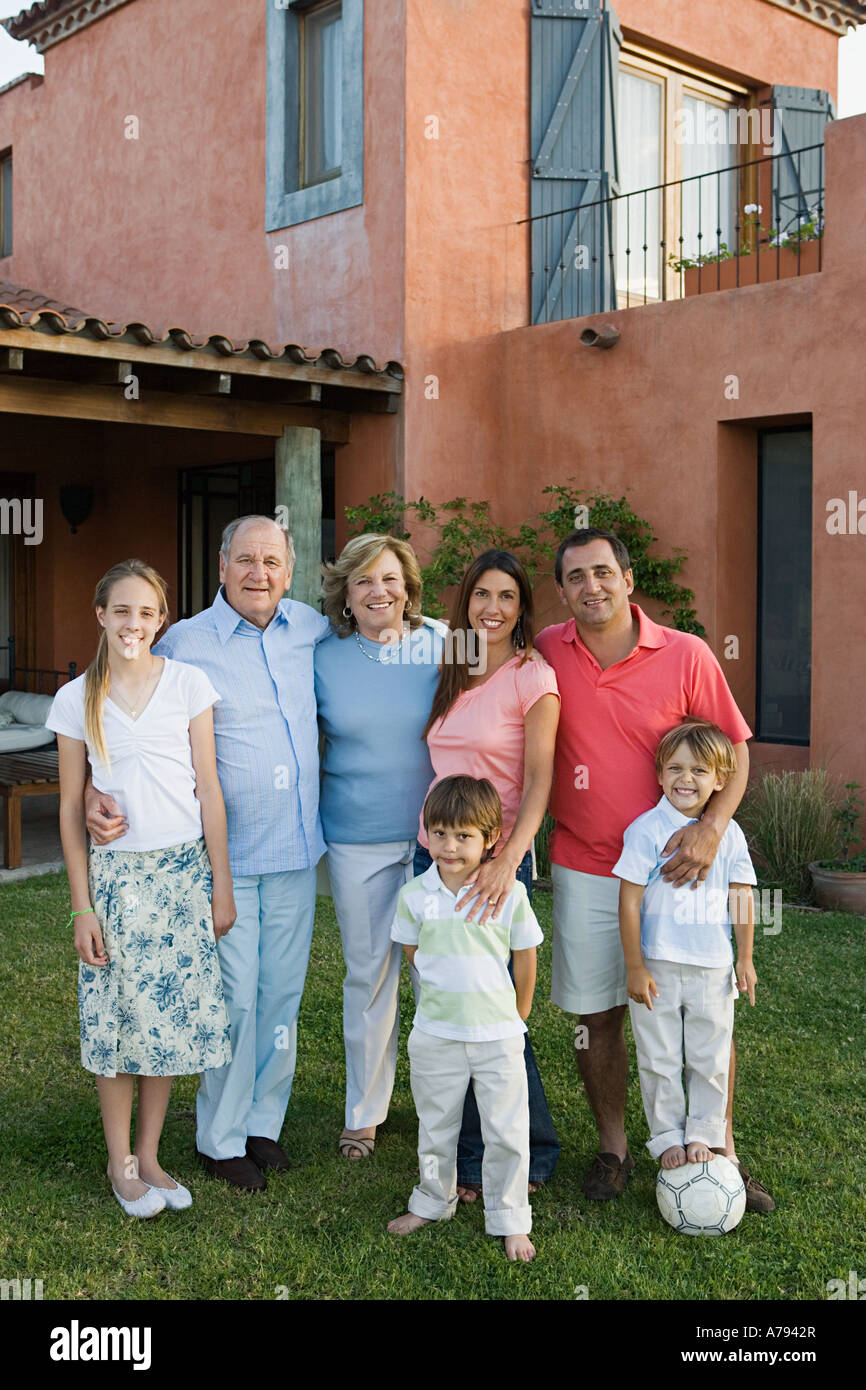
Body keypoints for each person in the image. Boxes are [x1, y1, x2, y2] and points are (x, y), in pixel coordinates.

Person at [86, 516, 328, 1192]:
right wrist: (87, 792)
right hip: (225, 859)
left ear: (289, 569)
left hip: (298, 851)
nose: (260, 573)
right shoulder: (184, 642)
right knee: (236, 999)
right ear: (221, 565)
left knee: (281, 997)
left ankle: (262, 1126)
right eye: (246, 560)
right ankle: (220, 1138)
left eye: (273, 561)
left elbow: (382, 628)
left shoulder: (309, 628)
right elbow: (110, 697)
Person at [535, 527, 774, 1210]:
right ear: (562, 591)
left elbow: (735, 751)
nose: (592, 586)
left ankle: (719, 1151)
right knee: (596, 1015)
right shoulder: (549, 650)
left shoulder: (686, 654)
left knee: (702, 1011)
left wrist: (710, 828)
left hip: (679, 871)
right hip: (584, 863)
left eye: (603, 572)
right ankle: (614, 1149)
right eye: (576, 576)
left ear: (628, 579)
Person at [47, 560, 233, 1218]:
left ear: (162, 621)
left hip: (182, 873)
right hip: (117, 881)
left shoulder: (188, 683)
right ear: (101, 615)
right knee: (118, 1021)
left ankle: (151, 1154)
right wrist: (81, 906)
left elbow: (208, 789)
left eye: (147, 613)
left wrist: (221, 885)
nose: (134, 623)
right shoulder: (77, 698)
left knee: (169, 1021)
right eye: (122, 611)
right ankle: (119, 1161)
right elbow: (72, 809)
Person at [415, 549, 560, 1200]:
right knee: (454, 1008)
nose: (492, 608)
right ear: (466, 601)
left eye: (506, 597)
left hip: (494, 865)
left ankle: (531, 1150)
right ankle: (470, 1153)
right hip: (435, 859)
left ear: (522, 607)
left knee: (497, 1013)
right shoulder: (453, 668)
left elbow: (539, 781)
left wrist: (508, 860)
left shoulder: (534, 676)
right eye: (482, 595)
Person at [315, 533, 443, 1160]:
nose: (378, 591)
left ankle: (442, 1109)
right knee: (369, 975)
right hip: (356, 838)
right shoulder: (320, 655)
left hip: (438, 844)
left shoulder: (445, 644)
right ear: (345, 591)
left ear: (409, 588)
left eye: (390, 579)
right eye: (363, 580)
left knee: (437, 975)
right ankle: (363, 1114)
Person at [389, 776, 541, 1262]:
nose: (449, 847)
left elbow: (526, 955)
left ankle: (510, 1217)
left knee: (506, 1130)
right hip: (436, 1033)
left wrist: (519, 1014)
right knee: (436, 1125)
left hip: (498, 1034)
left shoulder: (508, 894)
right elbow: (413, 953)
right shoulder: (415, 894)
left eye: (463, 836)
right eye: (439, 834)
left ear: (491, 838)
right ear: (426, 834)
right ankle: (434, 1200)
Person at [615, 720, 758, 1169]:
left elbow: (742, 895)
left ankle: (705, 1132)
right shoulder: (645, 830)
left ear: (721, 779)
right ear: (659, 775)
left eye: (699, 770)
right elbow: (629, 900)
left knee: (709, 1054)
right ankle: (666, 1137)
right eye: (675, 768)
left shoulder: (728, 834)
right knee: (658, 1056)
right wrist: (635, 965)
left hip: (713, 967)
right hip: (656, 964)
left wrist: (746, 958)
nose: (686, 779)